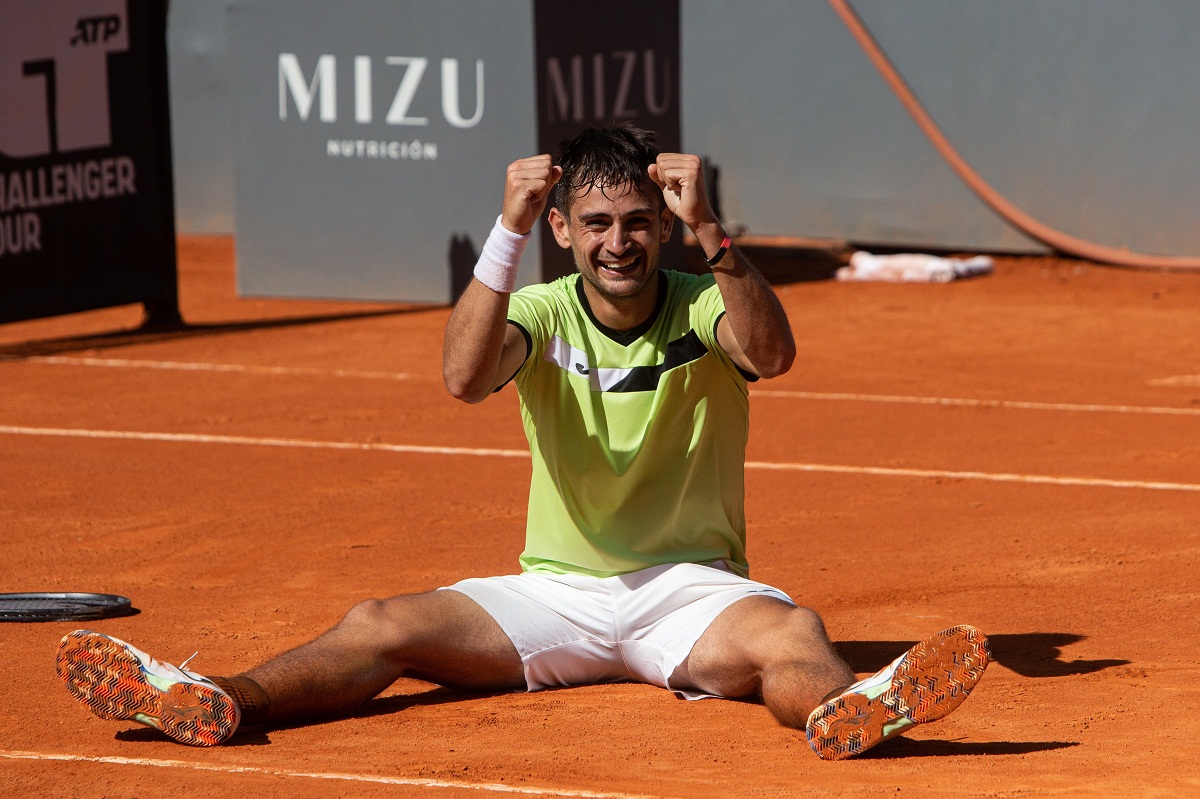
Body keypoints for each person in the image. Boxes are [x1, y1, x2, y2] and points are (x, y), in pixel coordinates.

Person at [56, 124, 989, 760]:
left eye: (636, 222)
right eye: (593, 223)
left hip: (691, 590)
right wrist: (503, 230)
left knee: (792, 632)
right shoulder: (537, 309)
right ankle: (218, 697)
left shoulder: (705, 303)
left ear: (661, 224)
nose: (616, 242)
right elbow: (463, 377)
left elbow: (773, 354)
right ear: (560, 229)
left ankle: (851, 709)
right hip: (554, 593)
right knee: (382, 623)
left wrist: (710, 227)